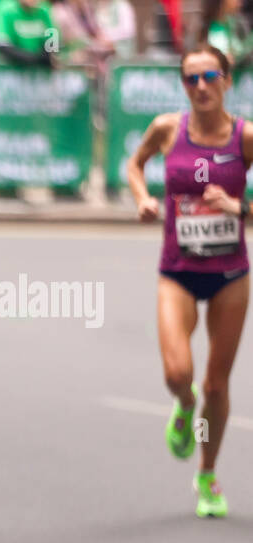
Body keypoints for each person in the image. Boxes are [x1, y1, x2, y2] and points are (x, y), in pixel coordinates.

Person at [126, 44, 253, 517]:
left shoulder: (245, 138)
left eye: (210, 76)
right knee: (179, 374)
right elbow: (135, 164)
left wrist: (238, 207)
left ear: (227, 80)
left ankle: (207, 474)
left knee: (217, 386)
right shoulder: (166, 129)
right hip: (177, 271)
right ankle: (183, 406)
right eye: (191, 79)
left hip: (229, 275)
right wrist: (142, 198)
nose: (201, 87)